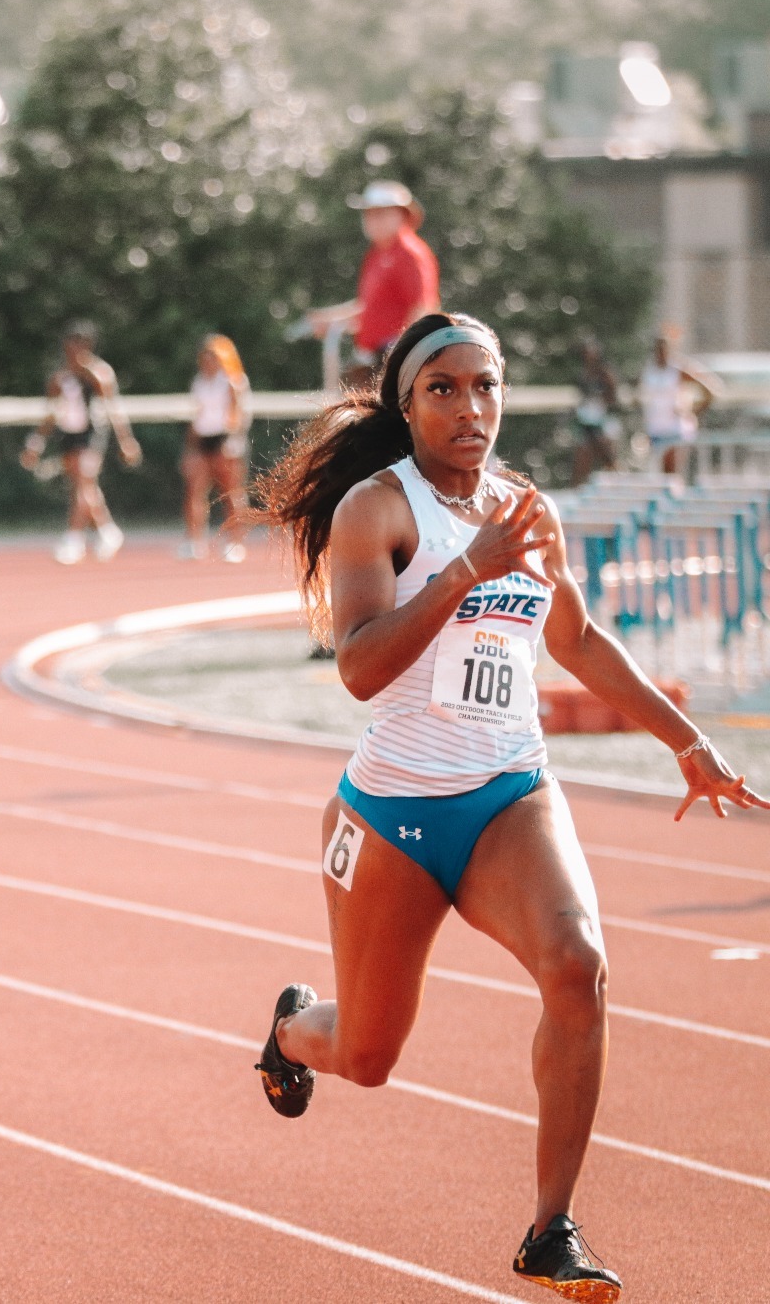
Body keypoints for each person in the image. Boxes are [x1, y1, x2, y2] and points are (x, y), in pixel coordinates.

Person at [249, 312, 763, 1303]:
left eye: (484, 386)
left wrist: (682, 740)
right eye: (442, 388)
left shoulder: (526, 507)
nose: (469, 407)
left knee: (577, 966)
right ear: (405, 403)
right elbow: (357, 666)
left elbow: (572, 638)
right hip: (391, 815)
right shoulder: (376, 508)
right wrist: (465, 570)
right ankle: (288, 1029)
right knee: (364, 1052)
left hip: (506, 793)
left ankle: (548, 1227)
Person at [21, 321, 141, 564]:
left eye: (78, 343)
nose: (73, 348)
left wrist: (126, 441)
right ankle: (108, 531)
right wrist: (36, 443)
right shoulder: (60, 377)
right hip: (68, 435)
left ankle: (74, 539)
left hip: (92, 434)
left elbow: (113, 409)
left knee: (83, 483)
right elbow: (51, 413)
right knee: (82, 485)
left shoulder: (99, 373)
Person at [307, 180, 441, 390]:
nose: (372, 220)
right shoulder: (376, 254)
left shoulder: (409, 253)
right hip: (374, 363)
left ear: (401, 215)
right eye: (369, 213)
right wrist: (330, 319)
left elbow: (422, 309)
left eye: (380, 213)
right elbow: (370, 308)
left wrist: (401, 358)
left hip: (395, 365)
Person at [180, 334, 252, 563]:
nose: (207, 361)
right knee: (195, 490)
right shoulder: (198, 382)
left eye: (212, 356)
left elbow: (239, 415)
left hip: (225, 439)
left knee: (230, 493)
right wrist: (190, 448)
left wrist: (234, 442)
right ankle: (194, 542)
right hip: (203, 440)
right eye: (205, 357)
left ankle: (234, 543)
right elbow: (196, 416)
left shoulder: (232, 381)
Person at [638, 333, 717, 476]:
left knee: (673, 473)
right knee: (659, 474)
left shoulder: (677, 370)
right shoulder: (649, 370)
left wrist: (694, 410)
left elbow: (709, 390)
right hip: (655, 429)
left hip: (674, 429)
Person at [570, 339, 619, 487]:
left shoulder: (604, 374)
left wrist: (600, 397)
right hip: (586, 421)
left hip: (601, 421)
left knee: (607, 455)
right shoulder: (583, 374)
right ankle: (578, 489)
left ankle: (615, 485)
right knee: (583, 456)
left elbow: (613, 398)